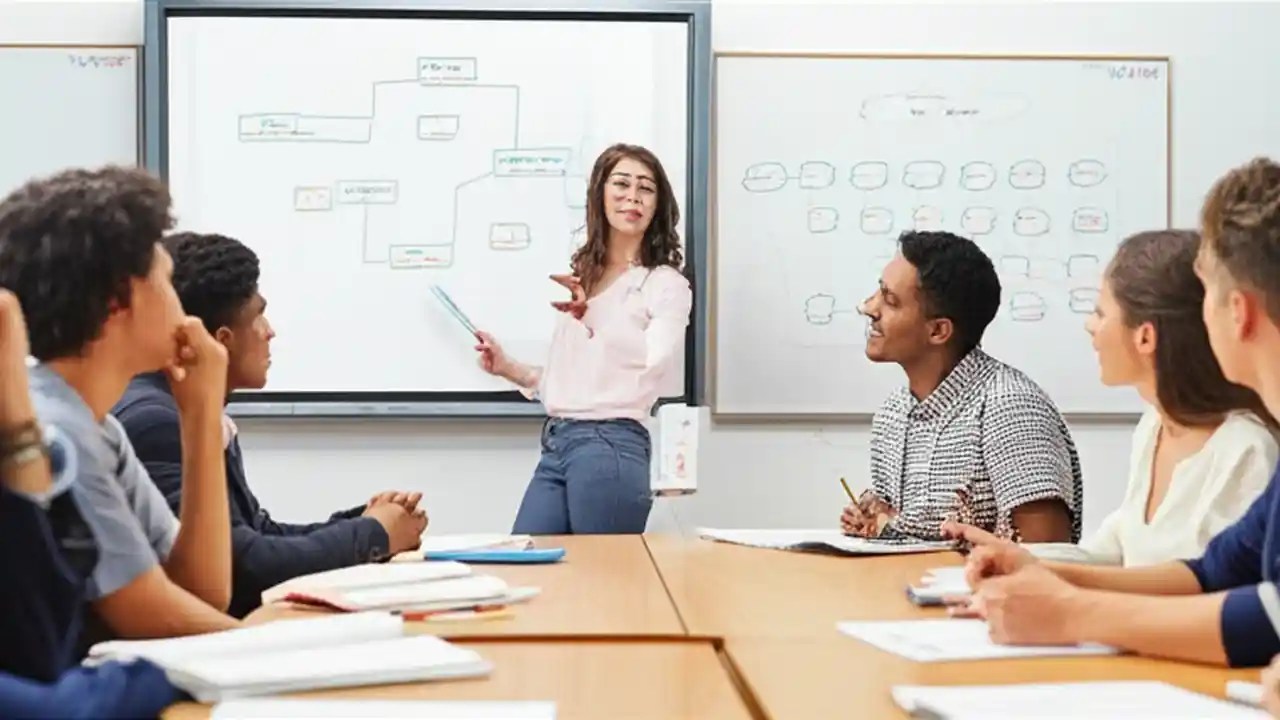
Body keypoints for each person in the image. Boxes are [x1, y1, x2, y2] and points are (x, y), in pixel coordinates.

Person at [947, 157, 1280, 668]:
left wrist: (1071, 613)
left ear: (1238, 312)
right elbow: (1213, 572)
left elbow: (1262, 619)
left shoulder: (1250, 447)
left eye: (1207, 293)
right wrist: (1042, 572)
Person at [113, 231, 429, 618]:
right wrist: (375, 534)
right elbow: (247, 566)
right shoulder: (159, 421)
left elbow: (259, 532)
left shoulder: (189, 408)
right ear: (221, 340)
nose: (270, 330)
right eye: (258, 315)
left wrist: (365, 521)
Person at [0, 165, 239, 649]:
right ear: (117, 301)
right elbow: (149, 615)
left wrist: (199, 419)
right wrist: (288, 637)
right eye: (168, 283)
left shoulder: (97, 425)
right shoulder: (58, 429)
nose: (183, 307)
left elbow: (203, 591)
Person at [474, 143, 692, 534]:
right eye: (621, 184)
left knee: (605, 582)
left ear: (658, 204)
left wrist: (594, 316)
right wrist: (507, 367)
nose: (633, 197)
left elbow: (653, 361)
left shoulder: (664, 284)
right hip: (558, 442)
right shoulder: (584, 280)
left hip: (611, 443)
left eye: (646, 188)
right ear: (600, 195)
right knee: (529, 565)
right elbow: (577, 381)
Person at [0, 288, 182, 717]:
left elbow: (37, 654)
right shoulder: (65, 421)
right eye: (166, 280)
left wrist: (18, 434)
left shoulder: (90, 428)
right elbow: (62, 708)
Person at [840, 230, 1083, 543]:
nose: (868, 308)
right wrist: (877, 521)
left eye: (889, 301)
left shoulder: (1011, 406)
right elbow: (904, 533)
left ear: (939, 330)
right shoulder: (892, 413)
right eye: (878, 293)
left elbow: (1047, 553)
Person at [1076, 229, 1276, 566]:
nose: (1089, 325)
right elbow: (1113, 551)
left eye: (1100, 313)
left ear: (1145, 337)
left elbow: (1215, 588)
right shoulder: (1154, 425)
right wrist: (1015, 558)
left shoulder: (1247, 450)